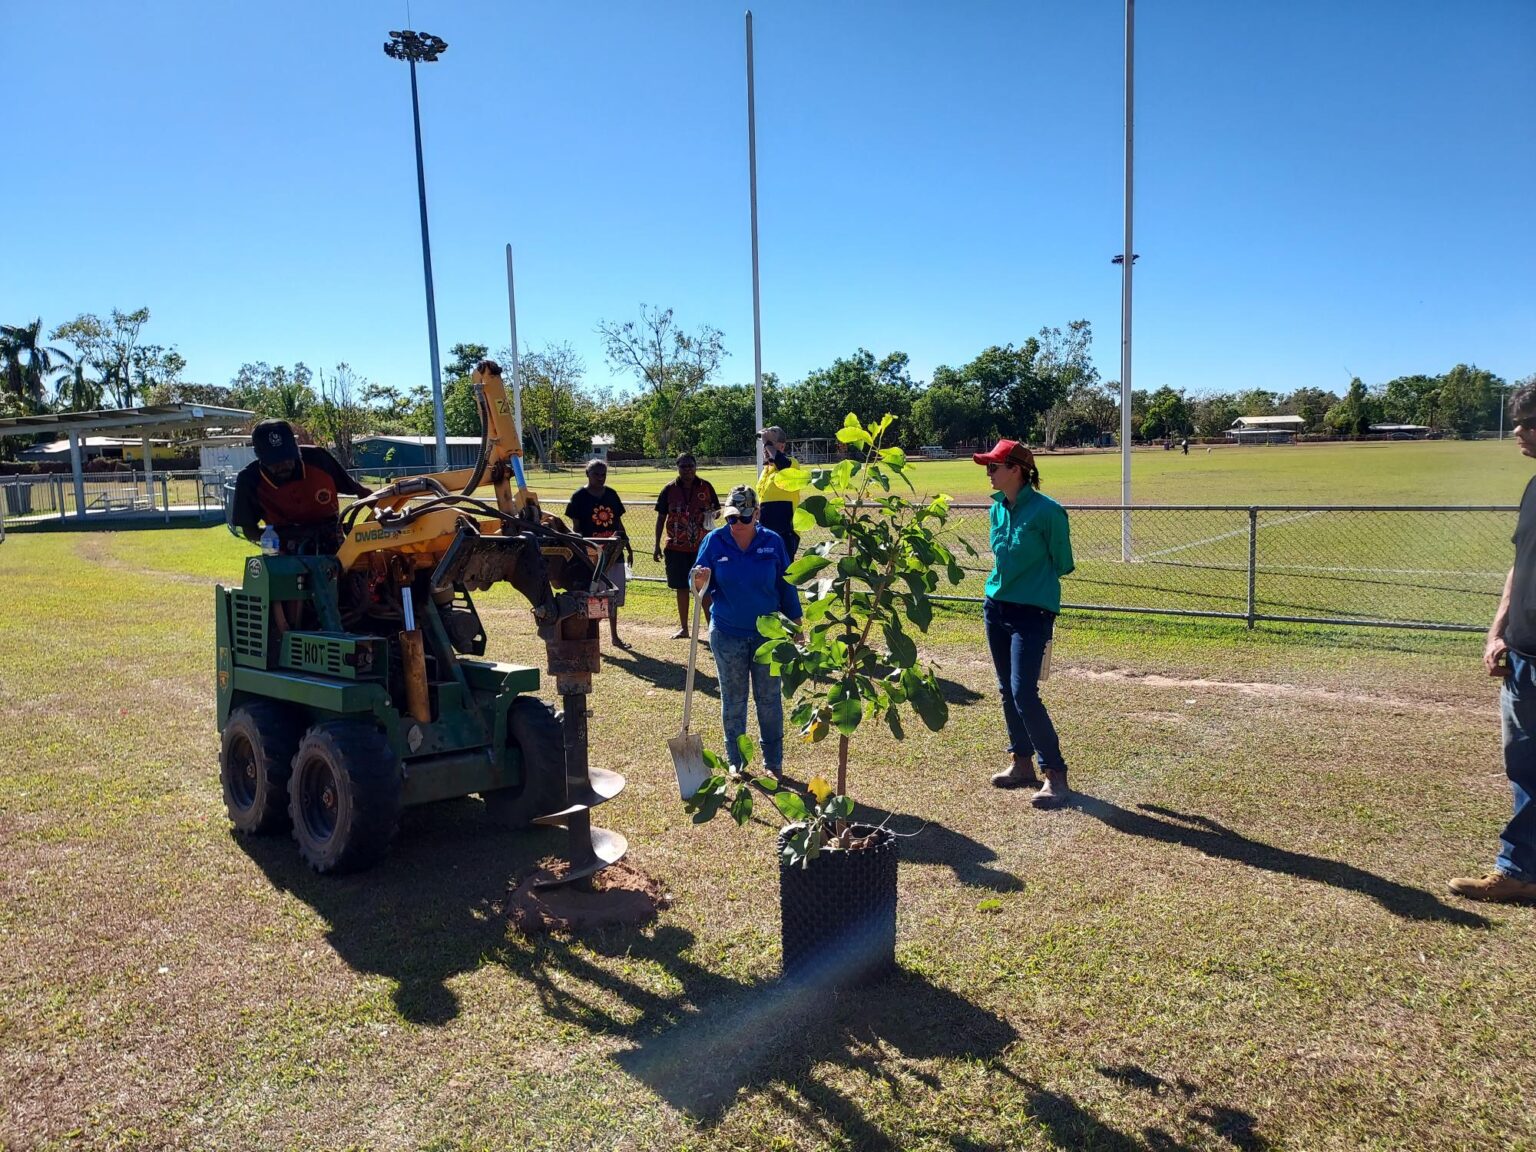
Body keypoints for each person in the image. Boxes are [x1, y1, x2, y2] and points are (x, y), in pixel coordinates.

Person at [1449, 384, 1536, 904]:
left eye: (1526, 422)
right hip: (1523, 654)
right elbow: (1518, 564)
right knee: (1525, 767)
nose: (1518, 433)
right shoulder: (1533, 487)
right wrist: (1497, 629)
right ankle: (1520, 869)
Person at [975, 439, 1076, 808]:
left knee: (1023, 692)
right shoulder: (997, 509)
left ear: (1016, 469)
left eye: (994, 466)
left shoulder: (1048, 512)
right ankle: (1021, 763)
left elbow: (1063, 562)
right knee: (1006, 689)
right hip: (996, 606)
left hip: (1032, 612)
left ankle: (1056, 776)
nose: (989, 472)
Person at [691, 486, 802, 776]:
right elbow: (698, 584)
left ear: (757, 514)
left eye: (744, 518)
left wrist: (797, 624)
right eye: (731, 519)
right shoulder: (715, 541)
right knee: (734, 699)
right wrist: (700, 580)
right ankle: (736, 761)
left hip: (768, 635)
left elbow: (785, 585)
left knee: (769, 699)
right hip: (727, 633)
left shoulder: (772, 542)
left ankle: (773, 762)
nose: (737, 525)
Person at [231, 419, 372, 553]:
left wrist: (383, 511)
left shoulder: (318, 459)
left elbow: (359, 491)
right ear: (260, 458)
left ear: (296, 450)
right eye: (274, 461)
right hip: (284, 553)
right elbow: (249, 531)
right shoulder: (249, 480)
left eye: (287, 457)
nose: (283, 465)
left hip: (333, 544)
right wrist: (291, 534)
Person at [565, 459, 634, 650]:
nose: (600, 477)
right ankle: (592, 636)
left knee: (612, 596)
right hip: (592, 555)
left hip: (614, 553)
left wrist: (627, 545)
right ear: (587, 474)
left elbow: (618, 524)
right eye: (596, 474)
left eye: (603, 474)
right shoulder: (579, 497)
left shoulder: (611, 494)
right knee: (594, 598)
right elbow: (576, 529)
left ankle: (614, 637)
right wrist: (581, 551)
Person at [654, 453, 721, 639]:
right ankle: (684, 628)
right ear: (677, 467)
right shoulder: (669, 489)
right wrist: (656, 544)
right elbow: (660, 517)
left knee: (705, 588)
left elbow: (717, 511)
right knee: (681, 588)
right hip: (676, 547)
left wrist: (712, 514)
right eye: (683, 466)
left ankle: (711, 629)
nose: (687, 470)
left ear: (696, 466)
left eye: (690, 465)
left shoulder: (706, 487)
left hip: (702, 548)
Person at [755, 425, 801, 561]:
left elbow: (782, 464)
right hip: (764, 530)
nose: (765, 447)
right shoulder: (766, 471)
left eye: (769, 443)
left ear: (781, 447)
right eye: (764, 444)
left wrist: (767, 444)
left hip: (785, 532)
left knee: (784, 573)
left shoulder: (792, 463)